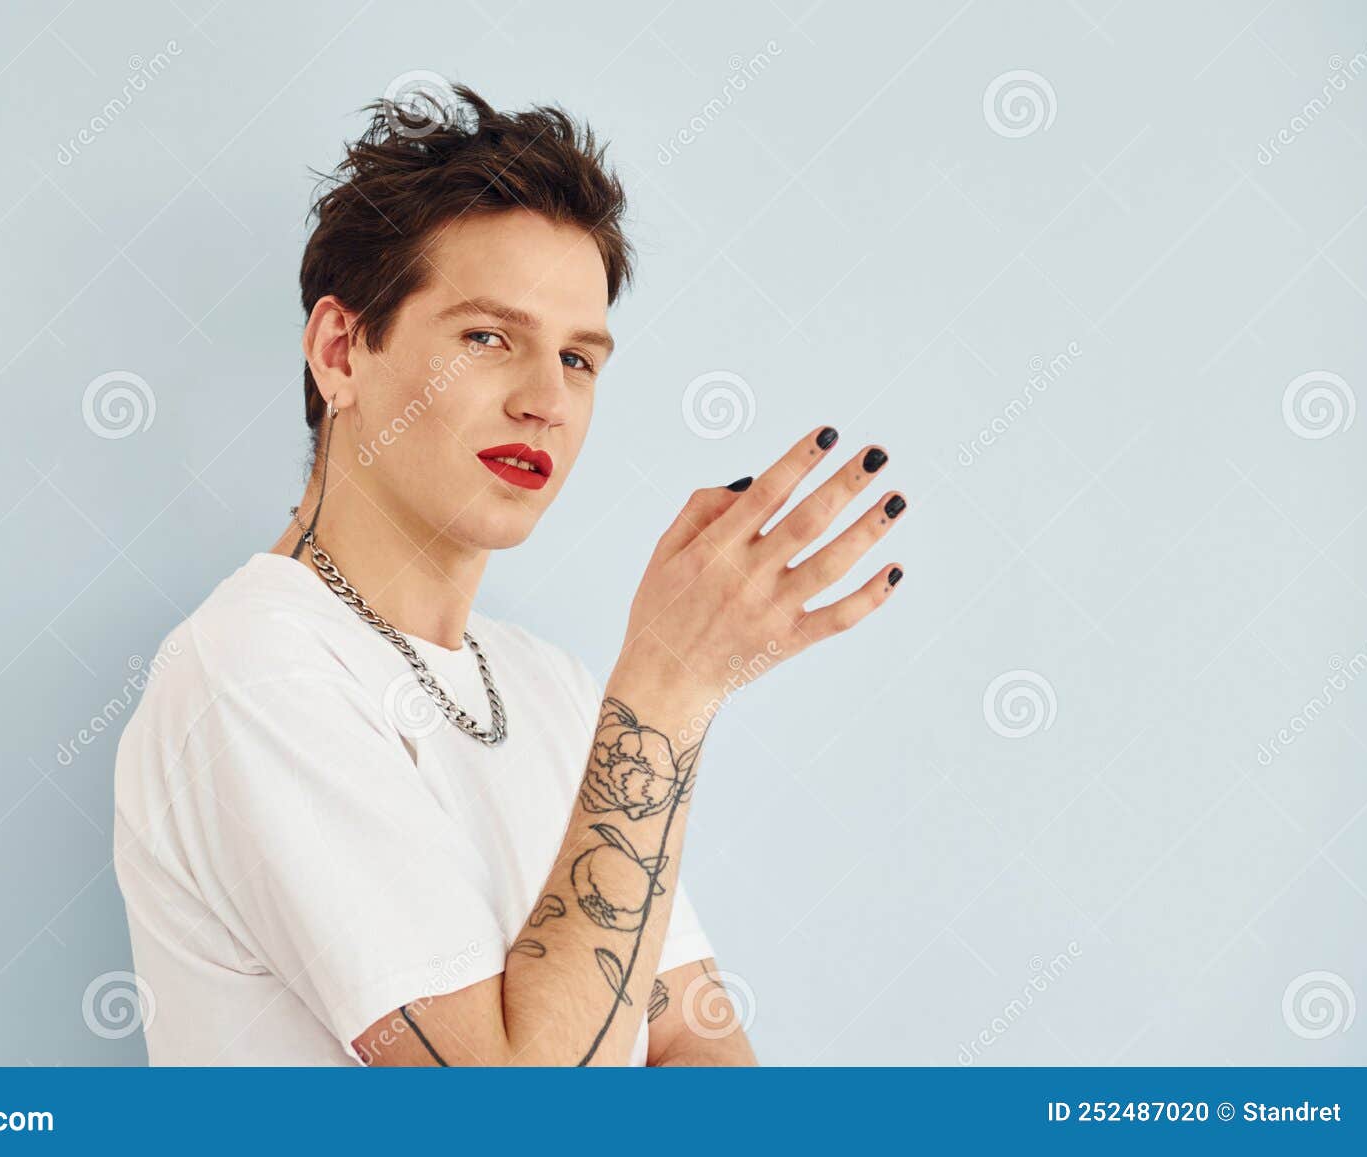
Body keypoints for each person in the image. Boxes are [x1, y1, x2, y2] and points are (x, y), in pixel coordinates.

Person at [112, 84, 908, 1066]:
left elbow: (701, 1057)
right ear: (339, 351)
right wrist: (668, 687)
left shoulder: (554, 689)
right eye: (488, 337)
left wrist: (651, 696)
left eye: (579, 358)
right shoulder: (256, 672)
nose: (546, 400)